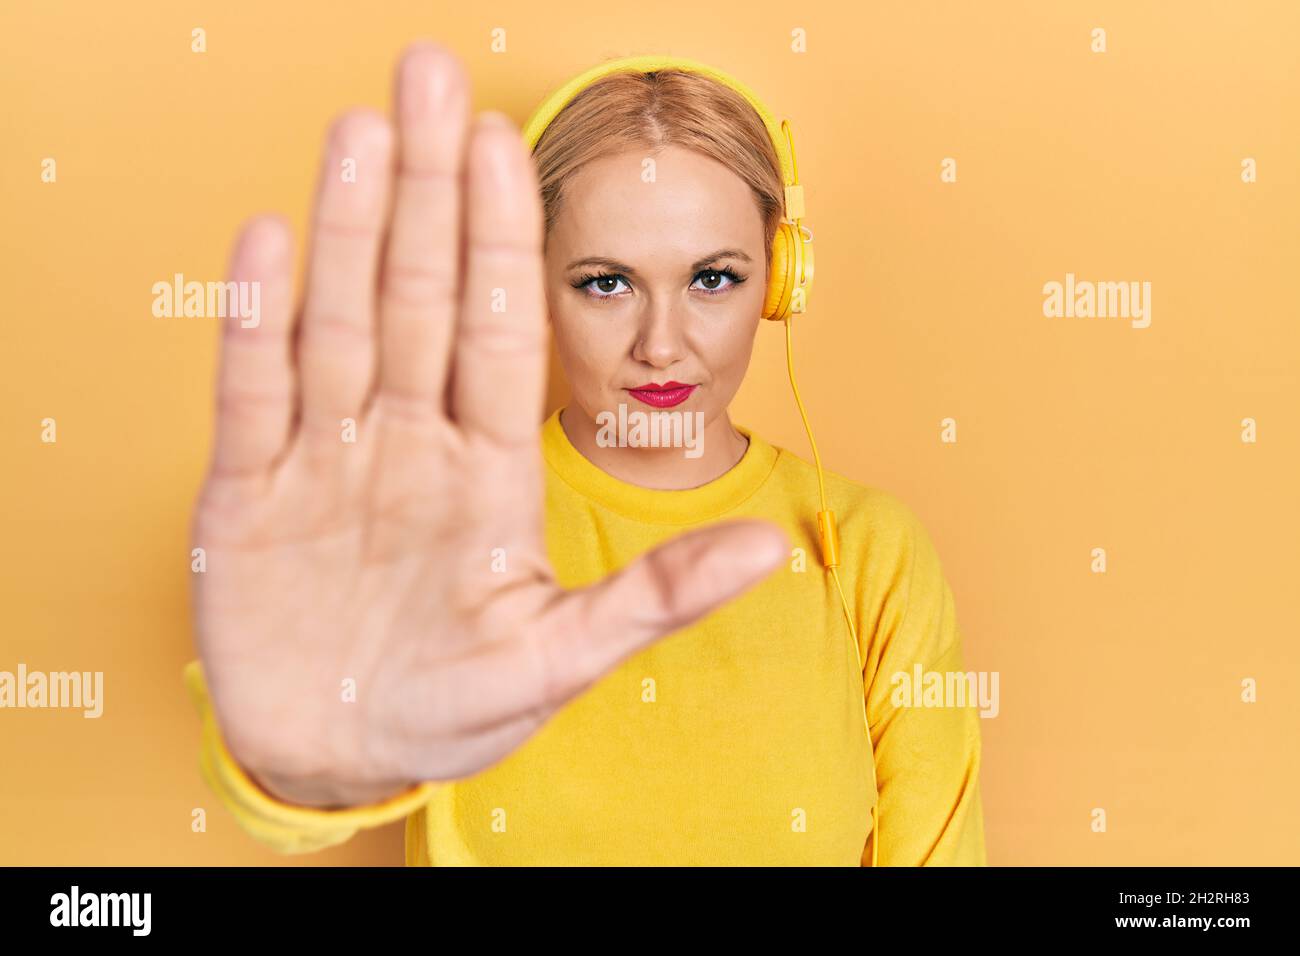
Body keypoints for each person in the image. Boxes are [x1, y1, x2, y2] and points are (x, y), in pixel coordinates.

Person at [183, 40, 987, 866]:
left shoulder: (872, 551)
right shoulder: (440, 521)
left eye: (713, 278)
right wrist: (302, 764)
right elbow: (306, 790)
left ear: (782, 280)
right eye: (606, 282)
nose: (662, 346)